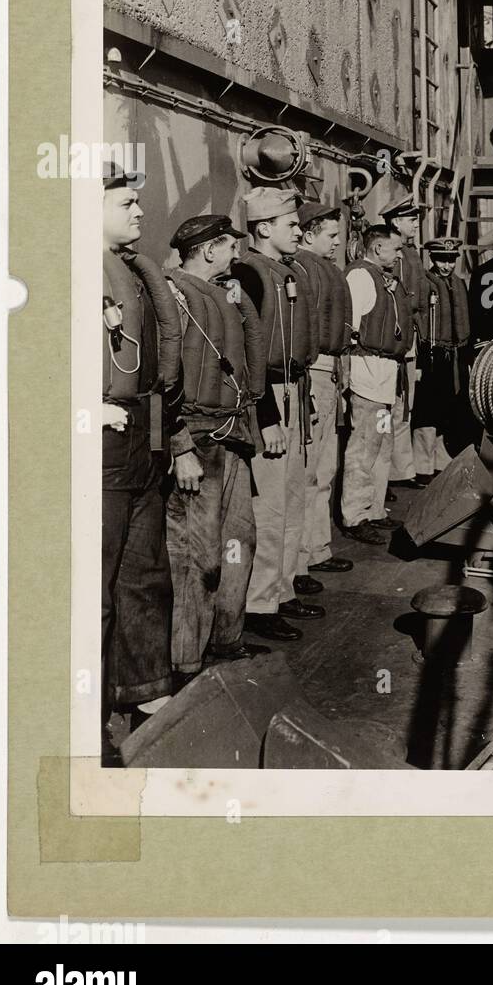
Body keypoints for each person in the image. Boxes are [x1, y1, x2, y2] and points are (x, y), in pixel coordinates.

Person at [164, 214, 268, 680]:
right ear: (208, 250)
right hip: (197, 443)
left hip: (232, 439)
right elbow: (159, 383)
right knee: (195, 558)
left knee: (236, 544)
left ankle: (226, 640)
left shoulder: (225, 296)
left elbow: (245, 367)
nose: (235, 256)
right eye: (229, 247)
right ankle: (185, 661)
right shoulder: (175, 297)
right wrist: (178, 444)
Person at [101, 162, 181, 754]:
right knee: (95, 582)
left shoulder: (131, 270)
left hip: (146, 430)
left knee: (145, 570)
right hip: (101, 435)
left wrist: (170, 440)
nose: (139, 212)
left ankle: (145, 686)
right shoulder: (64, 269)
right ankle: (85, 707)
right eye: (126, 202)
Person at [231, 187, 325, 643]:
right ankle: (259, 604)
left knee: (291, 502)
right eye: (291, 224)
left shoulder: (288, 269)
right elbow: (250, 354)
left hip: (295, 391)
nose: (298, 231)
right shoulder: (248, 272)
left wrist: (301, 404)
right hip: (269, 397)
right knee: (268, 508)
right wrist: (267, 417)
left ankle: (283, 590)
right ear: (263, 228)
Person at [293, 201, 356, 581]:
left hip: (330, 369)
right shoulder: (303, 268)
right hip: (314, 371)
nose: (337, 242)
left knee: (324, 468)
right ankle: (299, 558)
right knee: (309, 470)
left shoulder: (323, 268)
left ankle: (316, 548)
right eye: (331, 235)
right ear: (308, 233)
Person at [341, 225, 412, 544]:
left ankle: (374, 509)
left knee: (382, 447)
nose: (400, 255)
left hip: (387, 378)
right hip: (368, 376)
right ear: (377, 248)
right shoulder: (359, 277)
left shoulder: (385, 278)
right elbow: (350, 329)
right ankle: (354, 516)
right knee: (364, 448)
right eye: (395, 249)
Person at [379, 194, 429, 492]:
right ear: (396, 221)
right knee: (386, 411)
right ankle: (382, 477)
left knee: (403, 408)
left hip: (409, 340)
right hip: (390, 341)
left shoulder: (411, 254)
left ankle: (401, 471)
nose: (416, 224)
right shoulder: (384, 249)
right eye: (411, 219)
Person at [412, 236, 473, 480]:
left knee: (449, 411)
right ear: (432, 259)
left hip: (455, 357)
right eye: (442, 260)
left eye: (451, 260)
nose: (447, 265)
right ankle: (422, 466)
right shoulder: (425, 283)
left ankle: (442, 462)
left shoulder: (459, 284)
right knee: (427, 412)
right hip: (432, 355)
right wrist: (419, 363)